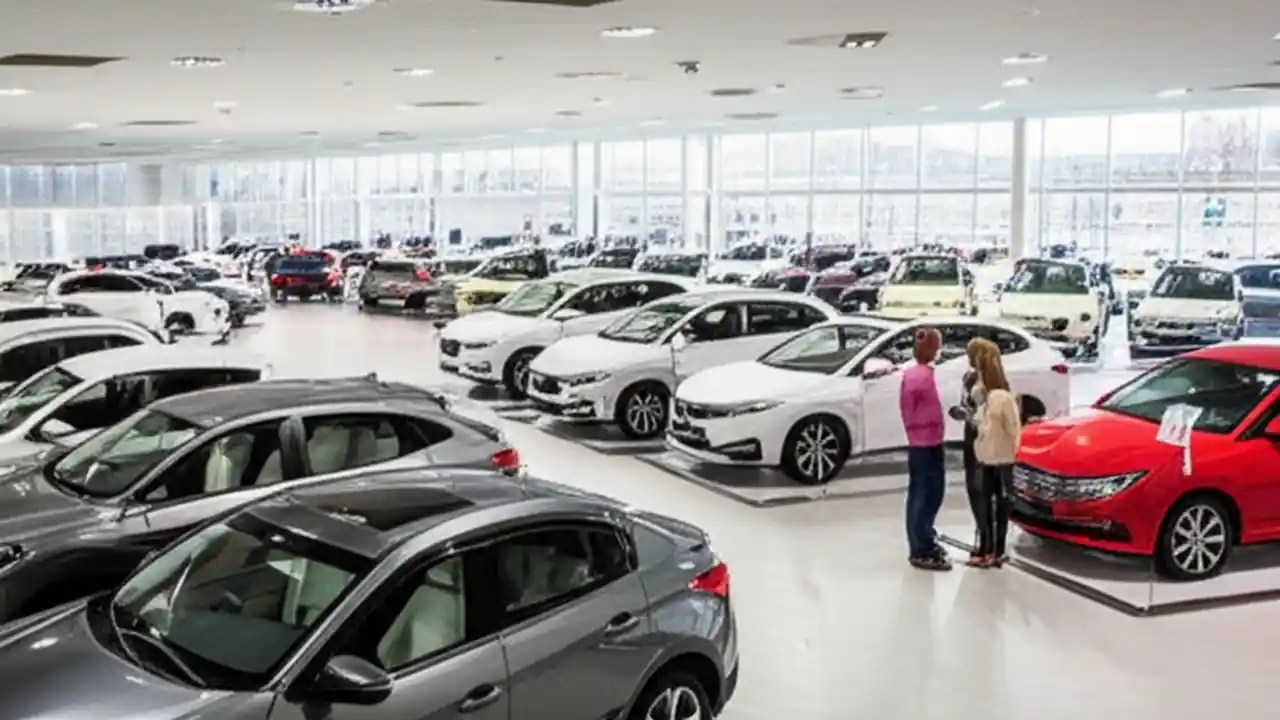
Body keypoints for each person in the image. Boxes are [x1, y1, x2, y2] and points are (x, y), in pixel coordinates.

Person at [899, 327, 950, 571]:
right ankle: (921, 545)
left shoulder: (919, 375)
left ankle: (924, 538)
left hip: (928, 442)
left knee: (928, 492)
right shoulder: (919, 377)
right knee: (925, 494)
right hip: (925, 444)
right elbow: (914, 411)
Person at [970, 341, 1021, 567]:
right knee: (986, 503)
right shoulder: (987, 398)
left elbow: (1014, 431)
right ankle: (988, 547)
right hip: (987, 458)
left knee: (999, 504)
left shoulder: (1003, 399)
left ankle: (997, 549)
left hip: (1002, 460)